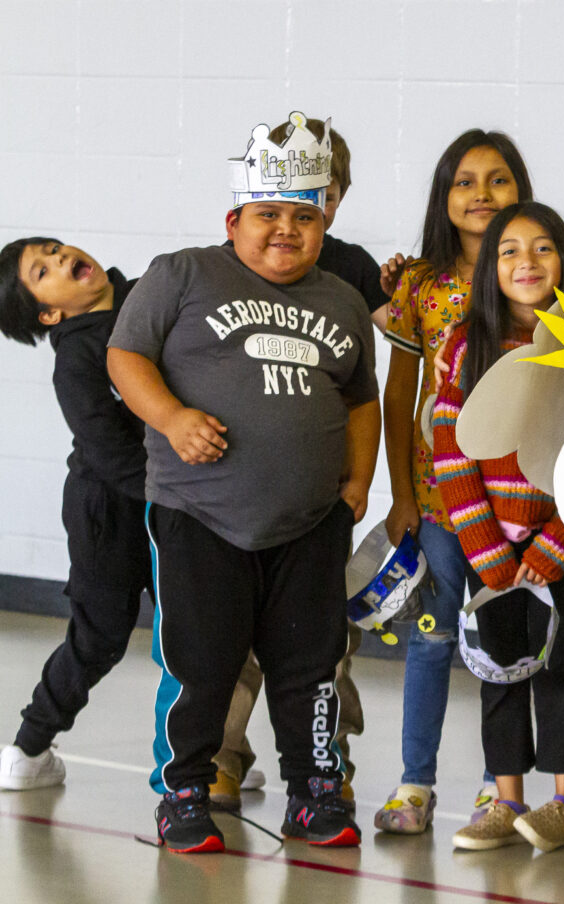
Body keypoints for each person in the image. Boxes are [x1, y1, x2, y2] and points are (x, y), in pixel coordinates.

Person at [106, 113, 380, 852]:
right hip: (200, 515)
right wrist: (171, 417)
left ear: (324, 223)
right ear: (234, 221)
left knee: (311, 668)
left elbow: (361, 398)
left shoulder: (343, 300)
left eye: (303, 217)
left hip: (311, 522)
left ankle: (313, 793)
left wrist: (359, 479)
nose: (286, 229)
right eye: (268, 215)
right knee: (202, 664)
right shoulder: (183, 274)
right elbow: (125, 356)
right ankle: (184, 793)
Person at [211, 116, 390, 813]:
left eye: (321, 194)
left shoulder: (351, 269)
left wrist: (361, 479)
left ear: (337, 198)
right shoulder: (228, 260)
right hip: (235, 491)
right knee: (230, 635)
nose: (296, 214)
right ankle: (223, 756)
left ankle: (327, 761)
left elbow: (396, 353)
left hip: (320, 493)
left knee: (323, 641)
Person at [376, 129, 532, 835]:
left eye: (497, 179)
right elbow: (398, 393)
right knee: (432, 637)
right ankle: (415, 783)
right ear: (443, 197)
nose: (481, 194)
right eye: (464, 182)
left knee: (502, 642)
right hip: (439, 498)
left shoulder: (536, 272)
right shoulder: (419, 285)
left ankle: (499, 787)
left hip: (516, 502)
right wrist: (401, 494)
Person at [430, 202, 564, 854]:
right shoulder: (465, 345)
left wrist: (560, 543)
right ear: (490, 267)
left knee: (558, 669)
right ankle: (506, 798)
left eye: (543, 247)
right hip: (489, 545)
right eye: (510, 251)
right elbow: (450, 450)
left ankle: (563, 801)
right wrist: (485, 548)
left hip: (558, 545)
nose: (528, 262)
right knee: (499, 671)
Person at [0, 240, 149, 792]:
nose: (62, 258)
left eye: (54, 249)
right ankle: (30, 746)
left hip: (173, 499)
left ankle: (214, 760)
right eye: (43, 271)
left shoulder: (147, 297)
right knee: (100, 636)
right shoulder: (76, 360)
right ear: (49, 314)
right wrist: (183, 497)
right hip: (107, 510)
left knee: (197, 630)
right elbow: (112, 456)